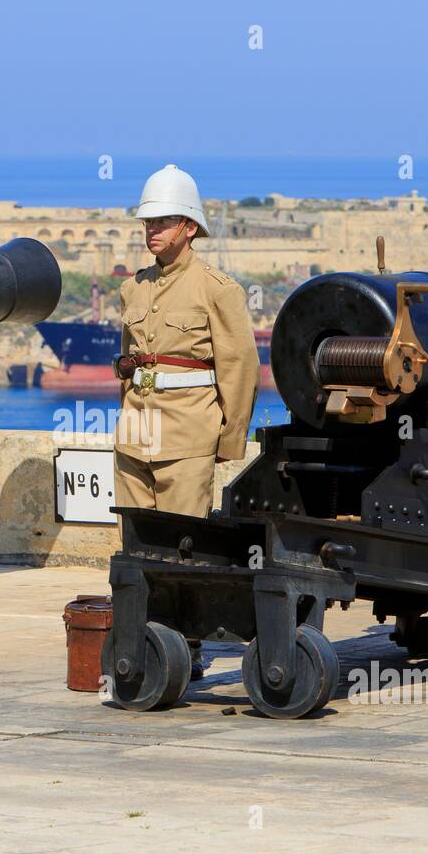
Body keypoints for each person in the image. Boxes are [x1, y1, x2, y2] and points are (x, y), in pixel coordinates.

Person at [113, 164, 259, 677]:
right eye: (147, 222)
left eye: (163, 222)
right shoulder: (133, 289)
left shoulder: (218, 289)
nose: (152, 230)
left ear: (189, 228)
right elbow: (129, 361)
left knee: (183, 548)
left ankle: (186, 645)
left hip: (188, 433)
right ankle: (140, 637)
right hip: (135, 432)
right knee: (134, 547)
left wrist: (230, 438)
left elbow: (240, 367)